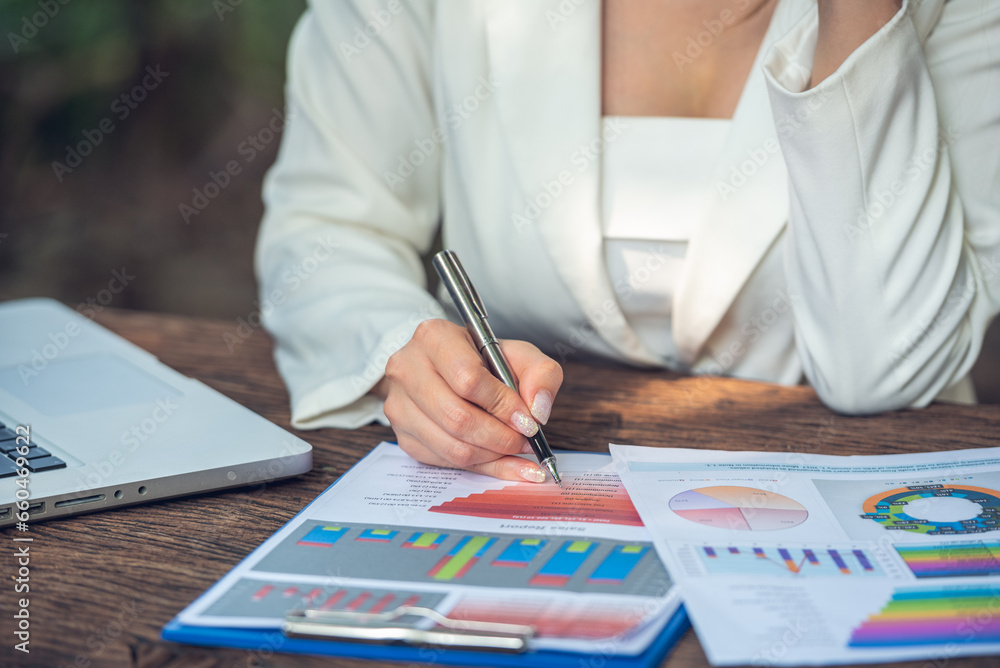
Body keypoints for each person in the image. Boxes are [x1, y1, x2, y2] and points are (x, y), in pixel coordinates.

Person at [255, 0, 1000, 483]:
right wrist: (400, 352)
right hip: (516, 499)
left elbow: (885, 369)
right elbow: (327, 224)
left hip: (868, 506)